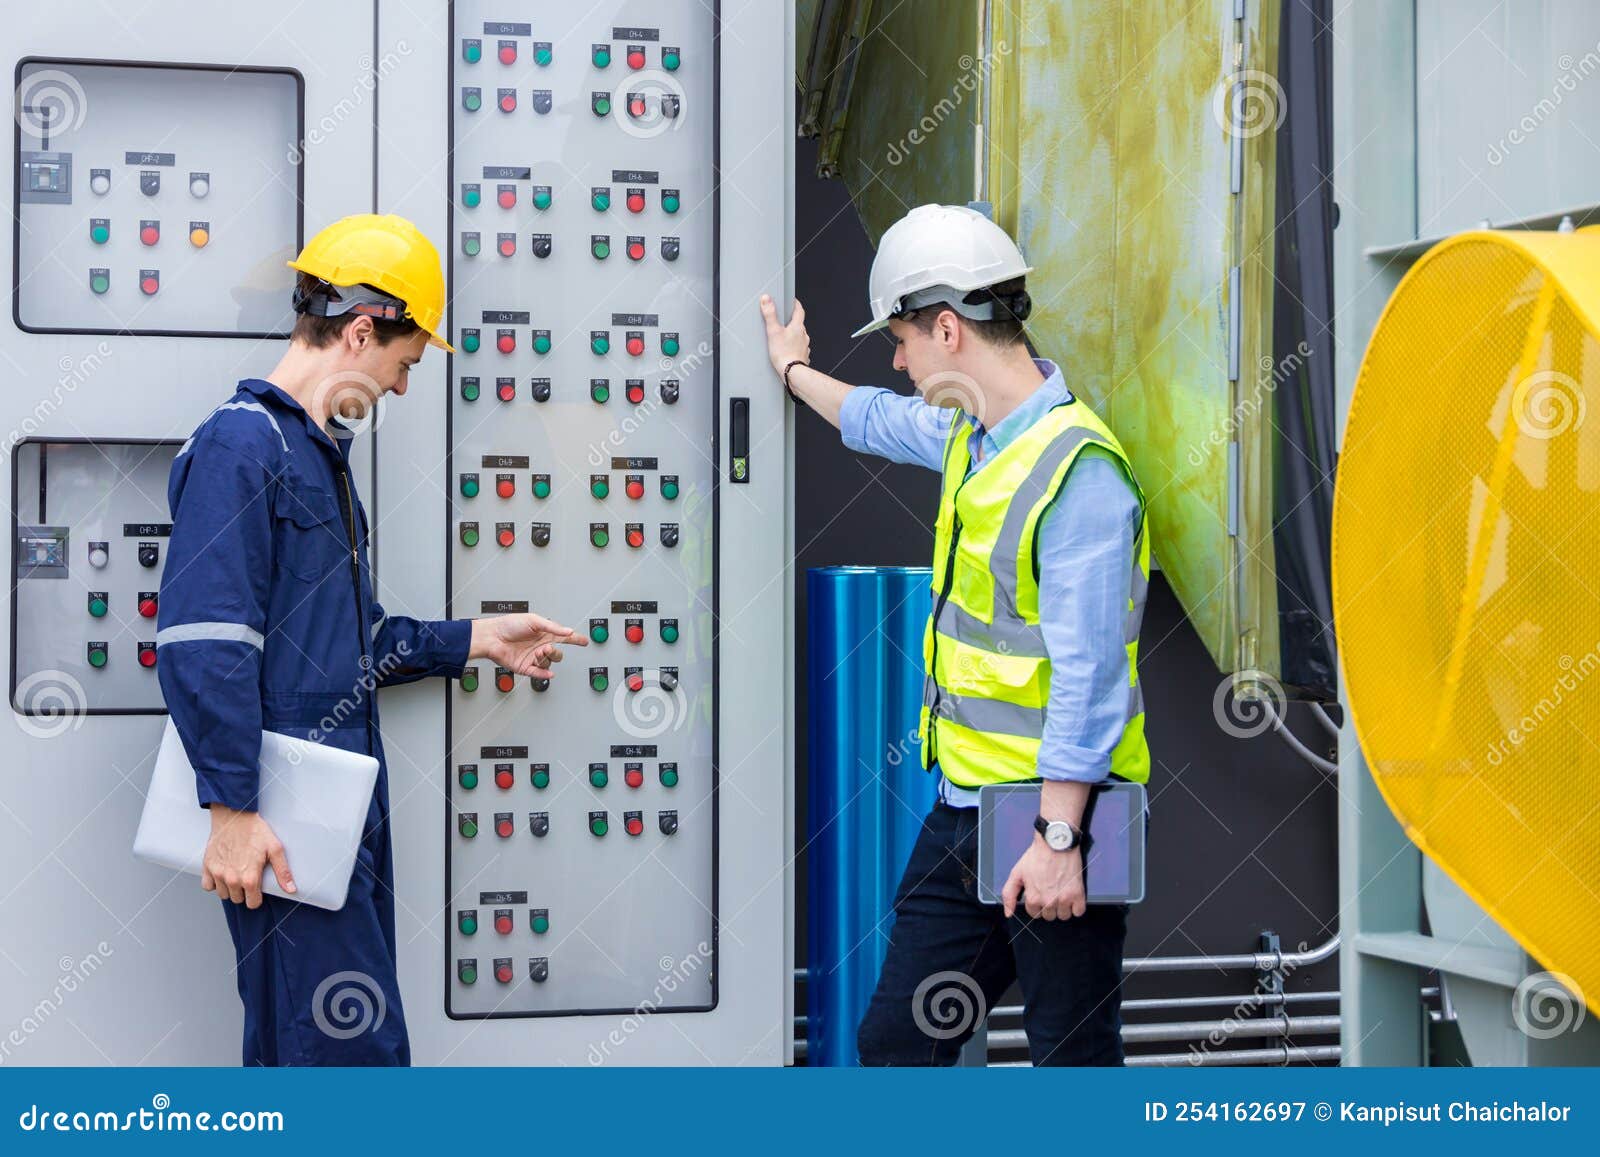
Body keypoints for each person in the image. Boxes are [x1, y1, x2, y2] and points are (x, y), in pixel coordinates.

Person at [156, 213, 586, 1065]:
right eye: (404, 361)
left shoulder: (313, 454)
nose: (401, 386)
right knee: (348, 1057)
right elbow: (202, 639)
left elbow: (341, 647)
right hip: (279, 817)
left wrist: (474, 639)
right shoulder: (244, 446)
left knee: (318, 1052)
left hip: (329, 809)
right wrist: (234, 809)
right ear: (360, 329)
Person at [760, 204, 1151, 1066]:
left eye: (901, 340)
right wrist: (793, 374)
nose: (896, 362)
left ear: (948, 329)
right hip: (968, 813)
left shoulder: (1078, 474)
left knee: (1072, 1063)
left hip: (1059, 821)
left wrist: (1057, 841)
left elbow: (1090, 682)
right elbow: (872, 417)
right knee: (897, 1040)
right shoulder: (972, 437)